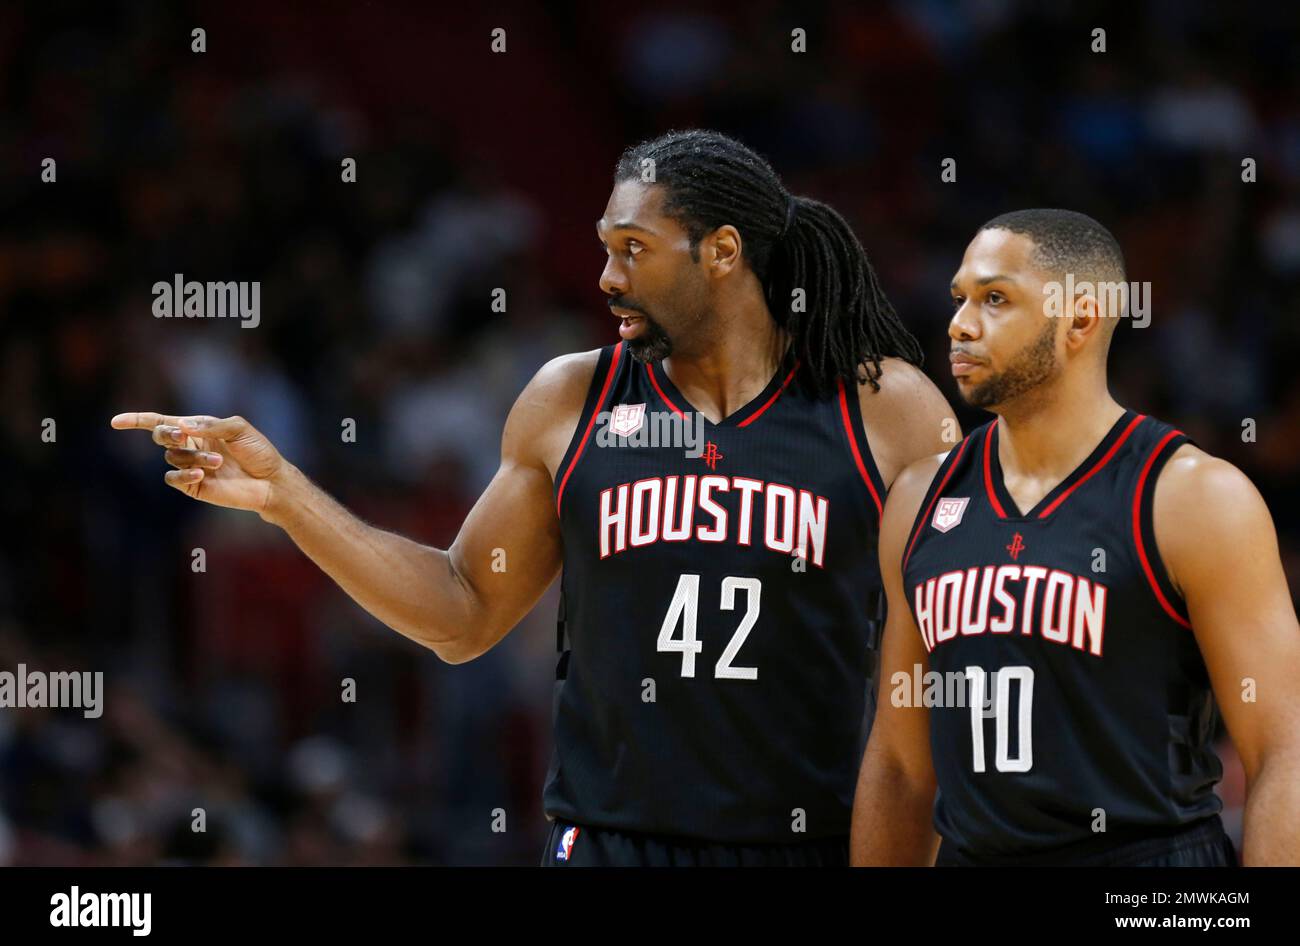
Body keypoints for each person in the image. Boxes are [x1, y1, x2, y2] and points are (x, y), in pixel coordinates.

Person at [114, 130, 956, 866]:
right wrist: (289, 499)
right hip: (607, 842)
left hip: (805, 844)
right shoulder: (571, 400)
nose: (606, 276)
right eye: (604, 246)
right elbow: (462, 610)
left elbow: (947, 679)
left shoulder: (885, 412)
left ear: (723, 252)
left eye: (634, 248)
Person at [850, 208, 1300, 866]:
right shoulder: (920, 499)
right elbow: (899, 763)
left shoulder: (1195, 499)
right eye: (959, 299)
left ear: (1080, 320)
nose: (959, 325)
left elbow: (1282, 750)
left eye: (995, 299)